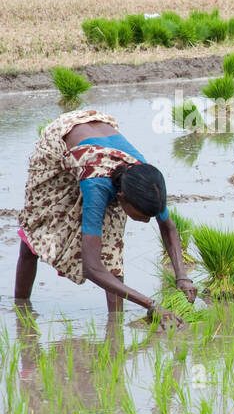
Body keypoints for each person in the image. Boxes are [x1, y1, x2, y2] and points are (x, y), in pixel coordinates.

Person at [14, 110, 192, 324]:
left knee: (112, 249)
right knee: (35, 232)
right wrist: (151, 305)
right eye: (143, 216)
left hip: (99, 142)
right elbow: (92, 267)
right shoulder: (97, 186)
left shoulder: (146, 182)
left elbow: (168, 228)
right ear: (121, 197)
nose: (146, 221)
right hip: (59, 144)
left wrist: (182, 277)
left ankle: (114, 326)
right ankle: (21, 310)